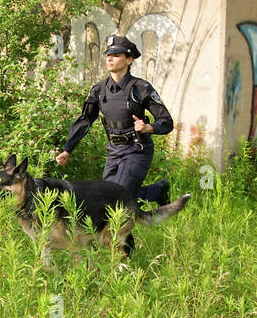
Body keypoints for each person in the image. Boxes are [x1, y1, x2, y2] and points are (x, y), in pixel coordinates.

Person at [54, 34, 173, 252]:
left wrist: (149, 127)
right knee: (106, 199)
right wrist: (67, 150)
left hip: (137, 150)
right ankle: (156, 191)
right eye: (108, 55)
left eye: (116, 55)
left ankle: (126, 251)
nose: (110, 59)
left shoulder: (141, 88)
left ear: (129, 60)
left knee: (118, 198)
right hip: (114, 151)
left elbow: (167, 121)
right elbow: (84, 121)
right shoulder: (99, 90)